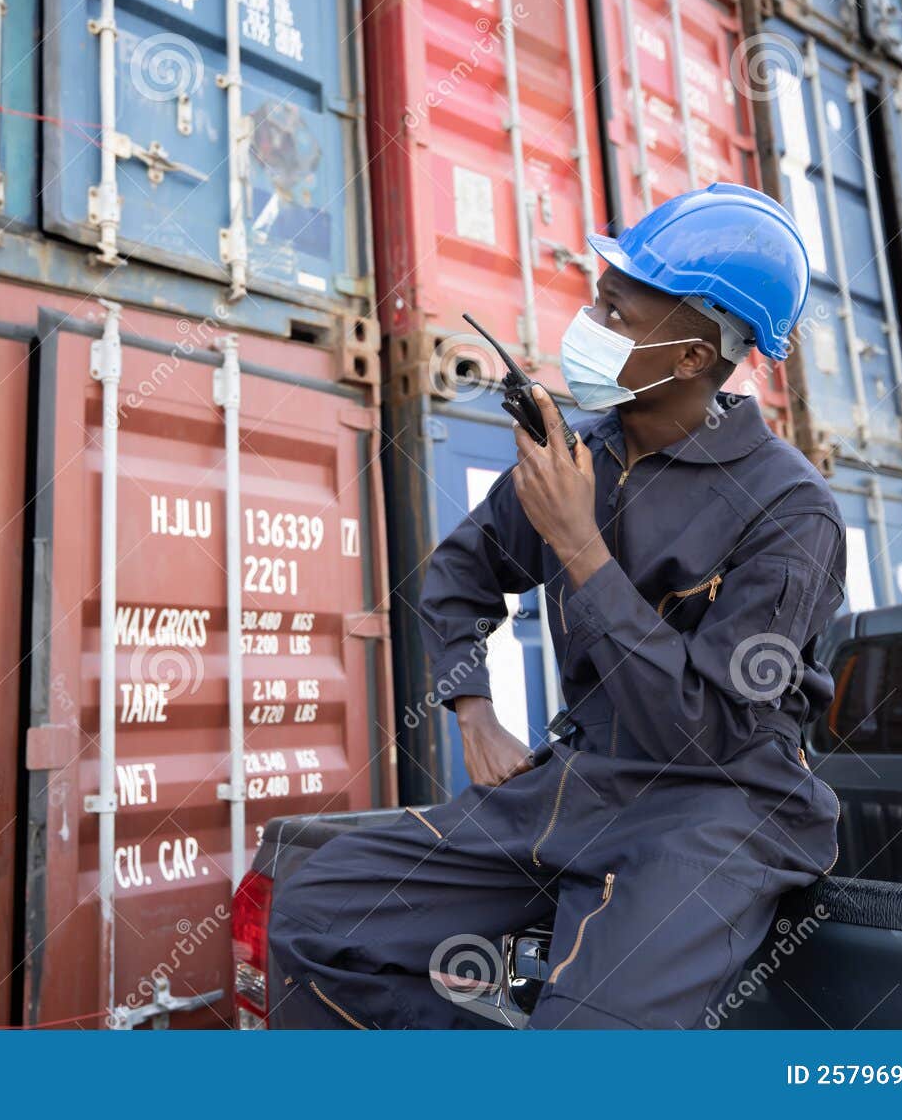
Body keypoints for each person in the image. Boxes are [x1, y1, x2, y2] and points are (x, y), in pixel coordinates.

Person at [267, 183, 847, 1029]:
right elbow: (460, 574)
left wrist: (580, 547)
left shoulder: (791, 510)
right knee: (317, 912)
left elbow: (707, 731)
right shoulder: (581, 455)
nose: (587, 325)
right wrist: (473, 710)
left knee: (585, 1036)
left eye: (616, 311)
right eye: (597, 300)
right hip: (587, 778)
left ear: (690, 356)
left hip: (720, 805)